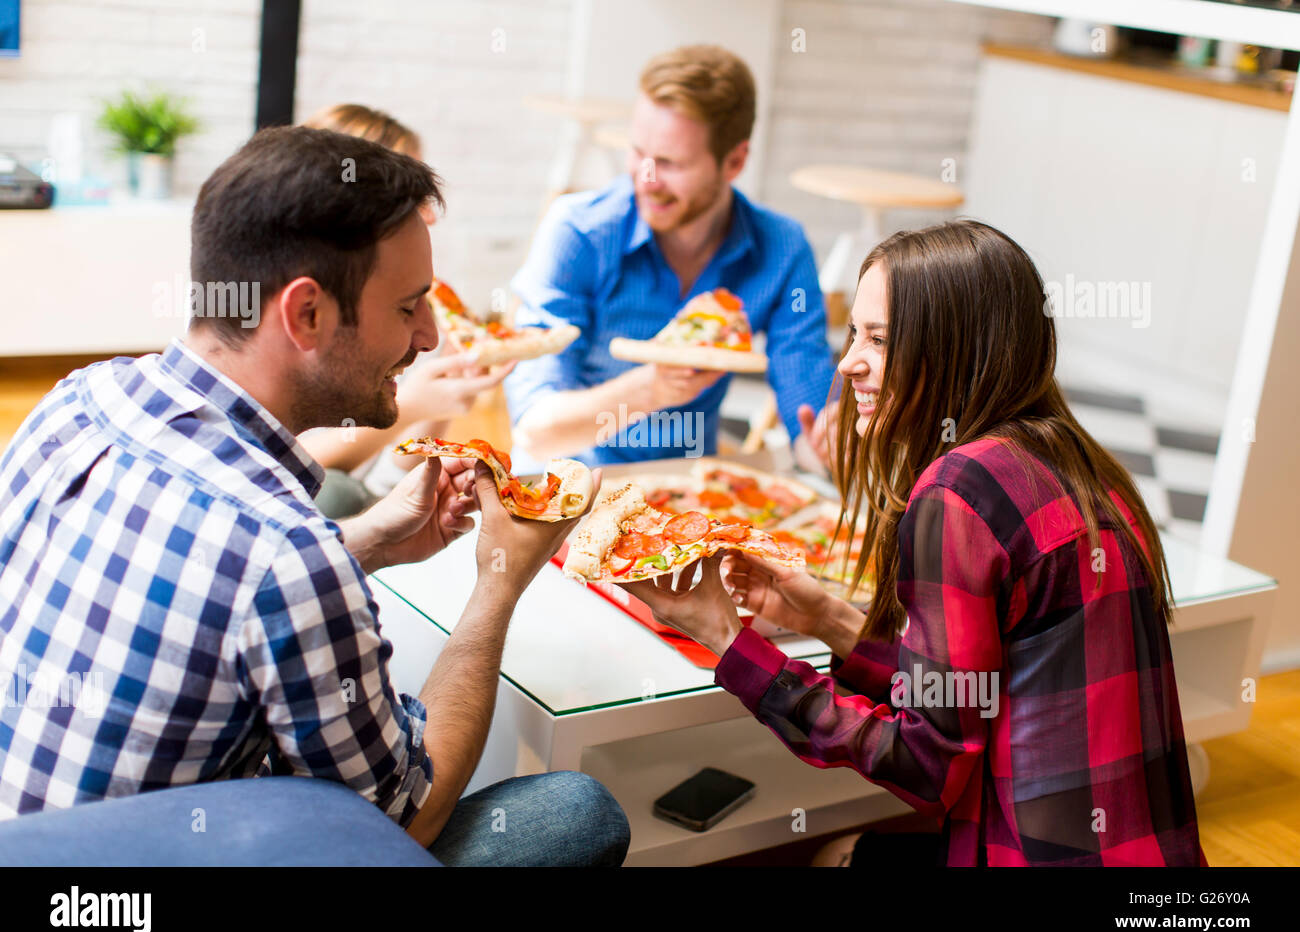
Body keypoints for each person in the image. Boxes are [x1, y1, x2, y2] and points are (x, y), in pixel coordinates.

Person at [0, 125, 629, 866]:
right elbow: (405, 820)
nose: (430, 336)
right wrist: (498, 581)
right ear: (306, 314)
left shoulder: (81, 399)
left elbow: (215, 584)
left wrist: (367, 540)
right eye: (409, 306)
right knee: (578, 812)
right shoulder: (286, 556)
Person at [621, 220, 1206, 867]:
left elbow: (927, 764)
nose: (848, 363)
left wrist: (731, 643)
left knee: (826, 854)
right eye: (852, 334)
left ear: (957, 347)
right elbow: (969, 695)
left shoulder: (958, 492)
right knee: (849, 849)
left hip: (1023, 853)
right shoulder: (1087, 464)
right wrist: (826, 618)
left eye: (879, 338)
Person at [506, 45, 838, 474]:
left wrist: (829, 446)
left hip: (687, 489)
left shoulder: (782, 248)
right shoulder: (579, 233)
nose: (646, 179)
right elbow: (535, 430)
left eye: (669, 163)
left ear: (734, 161)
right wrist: (654, 388)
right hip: (569, 481)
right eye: (638, 152)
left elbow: (806, 425)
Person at [294, 104, 515, 519]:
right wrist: (412, 405)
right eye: (407, 193)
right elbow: (291, 464)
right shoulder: (305, 301)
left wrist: (445, 398)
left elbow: (381, 481)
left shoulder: (399, 292)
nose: (429, 214)